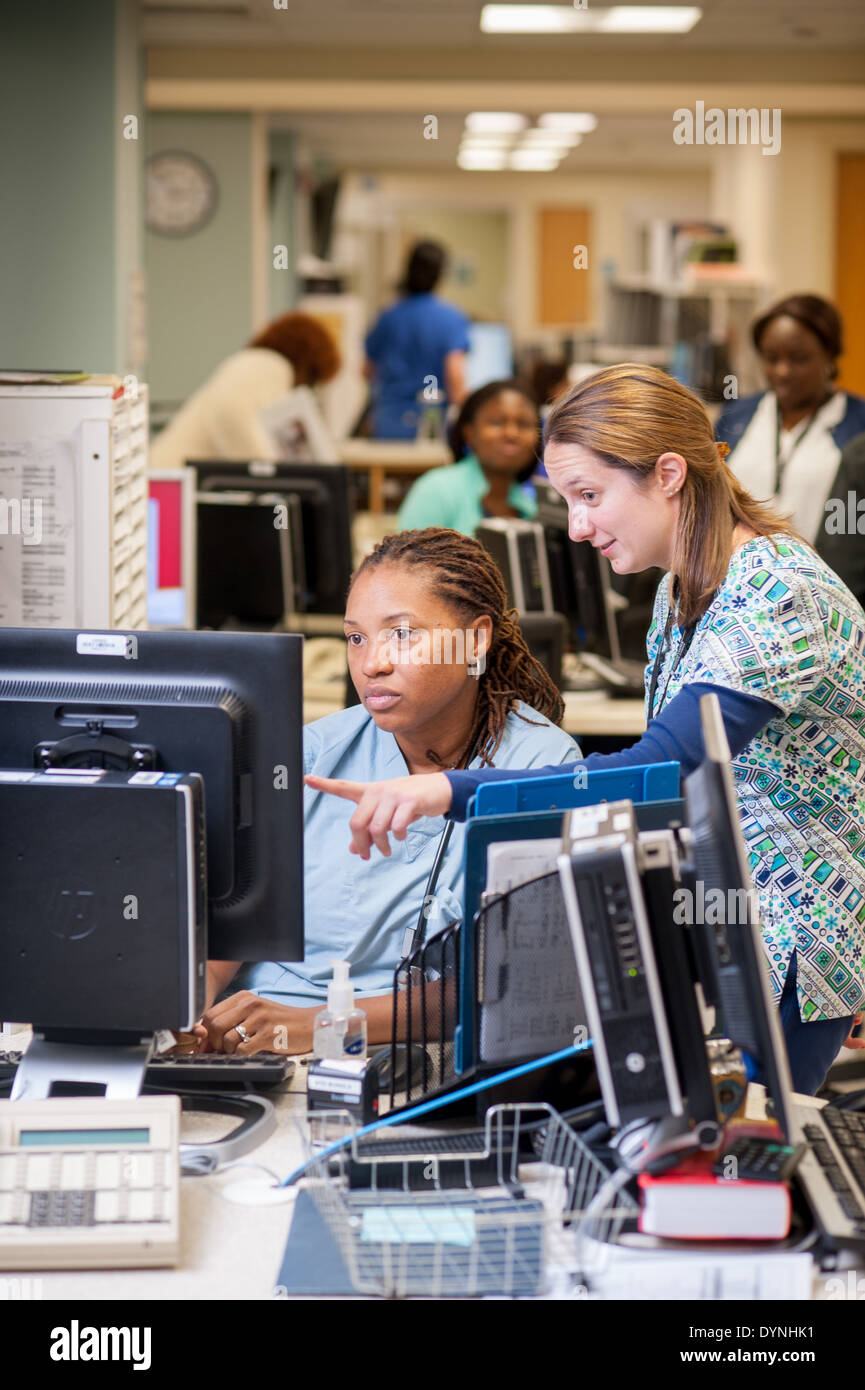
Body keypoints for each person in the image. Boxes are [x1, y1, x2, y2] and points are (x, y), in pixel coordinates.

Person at [309, 364, 865, 1097]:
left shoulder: (775, 590)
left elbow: (661, 771)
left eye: (590, 496)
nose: (575, 526)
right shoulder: (682, 588)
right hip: (728, 926)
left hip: (793, 941)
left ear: (668, 474)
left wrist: (445, 789)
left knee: (739, 1164)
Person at [196, 527, 580, 1054]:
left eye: (402, 634)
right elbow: (232, 923)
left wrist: (323, 1023)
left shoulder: (543, 765)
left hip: (407, 1055)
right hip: (254, 1043)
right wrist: (193, 999)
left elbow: (512, 980)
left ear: (476, 639)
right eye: (356, 637)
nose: (371, 663)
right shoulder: (311, 754)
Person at [716, 293, 865, 547]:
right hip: (738, 578)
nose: (782, 371)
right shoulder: (736, 417)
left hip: (824, 580)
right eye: (771, 358)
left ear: (829, 354)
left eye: (799, 359)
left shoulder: (858, 425)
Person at [150, 312, 340, 471]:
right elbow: (229, 411)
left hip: (167, 477)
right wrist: (273, 476)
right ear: (309, 365)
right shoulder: (270, 365)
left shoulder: (254, 363)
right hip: (171, 483)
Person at [397, 379, 541, 536]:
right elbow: (404, 559)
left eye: (523, 424)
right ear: (469, 432)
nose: (511, 433)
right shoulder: (436, 491)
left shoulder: (532, 508)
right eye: (497, 422)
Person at [364, 240, 470, 439]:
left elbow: (368, 370)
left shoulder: (388, 316)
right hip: (430, 425)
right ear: (440, 275)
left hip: (388, 424)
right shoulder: (451, 319)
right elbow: (455, 380)